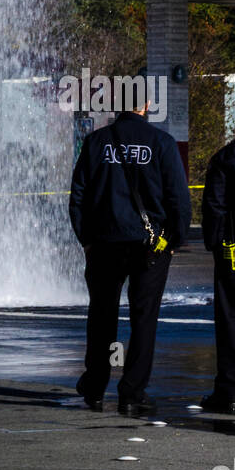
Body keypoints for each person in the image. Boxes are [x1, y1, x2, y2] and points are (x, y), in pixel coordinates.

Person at [69, 72, 191, 416]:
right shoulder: (162, 143)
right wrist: (173, 241)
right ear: (147, 106)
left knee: (102, 316)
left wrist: (86, 241)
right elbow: (178, 201)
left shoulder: (96, 143)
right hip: (149, 245)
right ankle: (132, 391)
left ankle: (95, 385)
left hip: (104, 244)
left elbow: (77, 196)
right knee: (144, 318)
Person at [200, 94, 235, 414]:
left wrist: (216, 245)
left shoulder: (226, 158)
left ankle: (228, 391)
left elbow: (215, 207)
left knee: (232, 318)